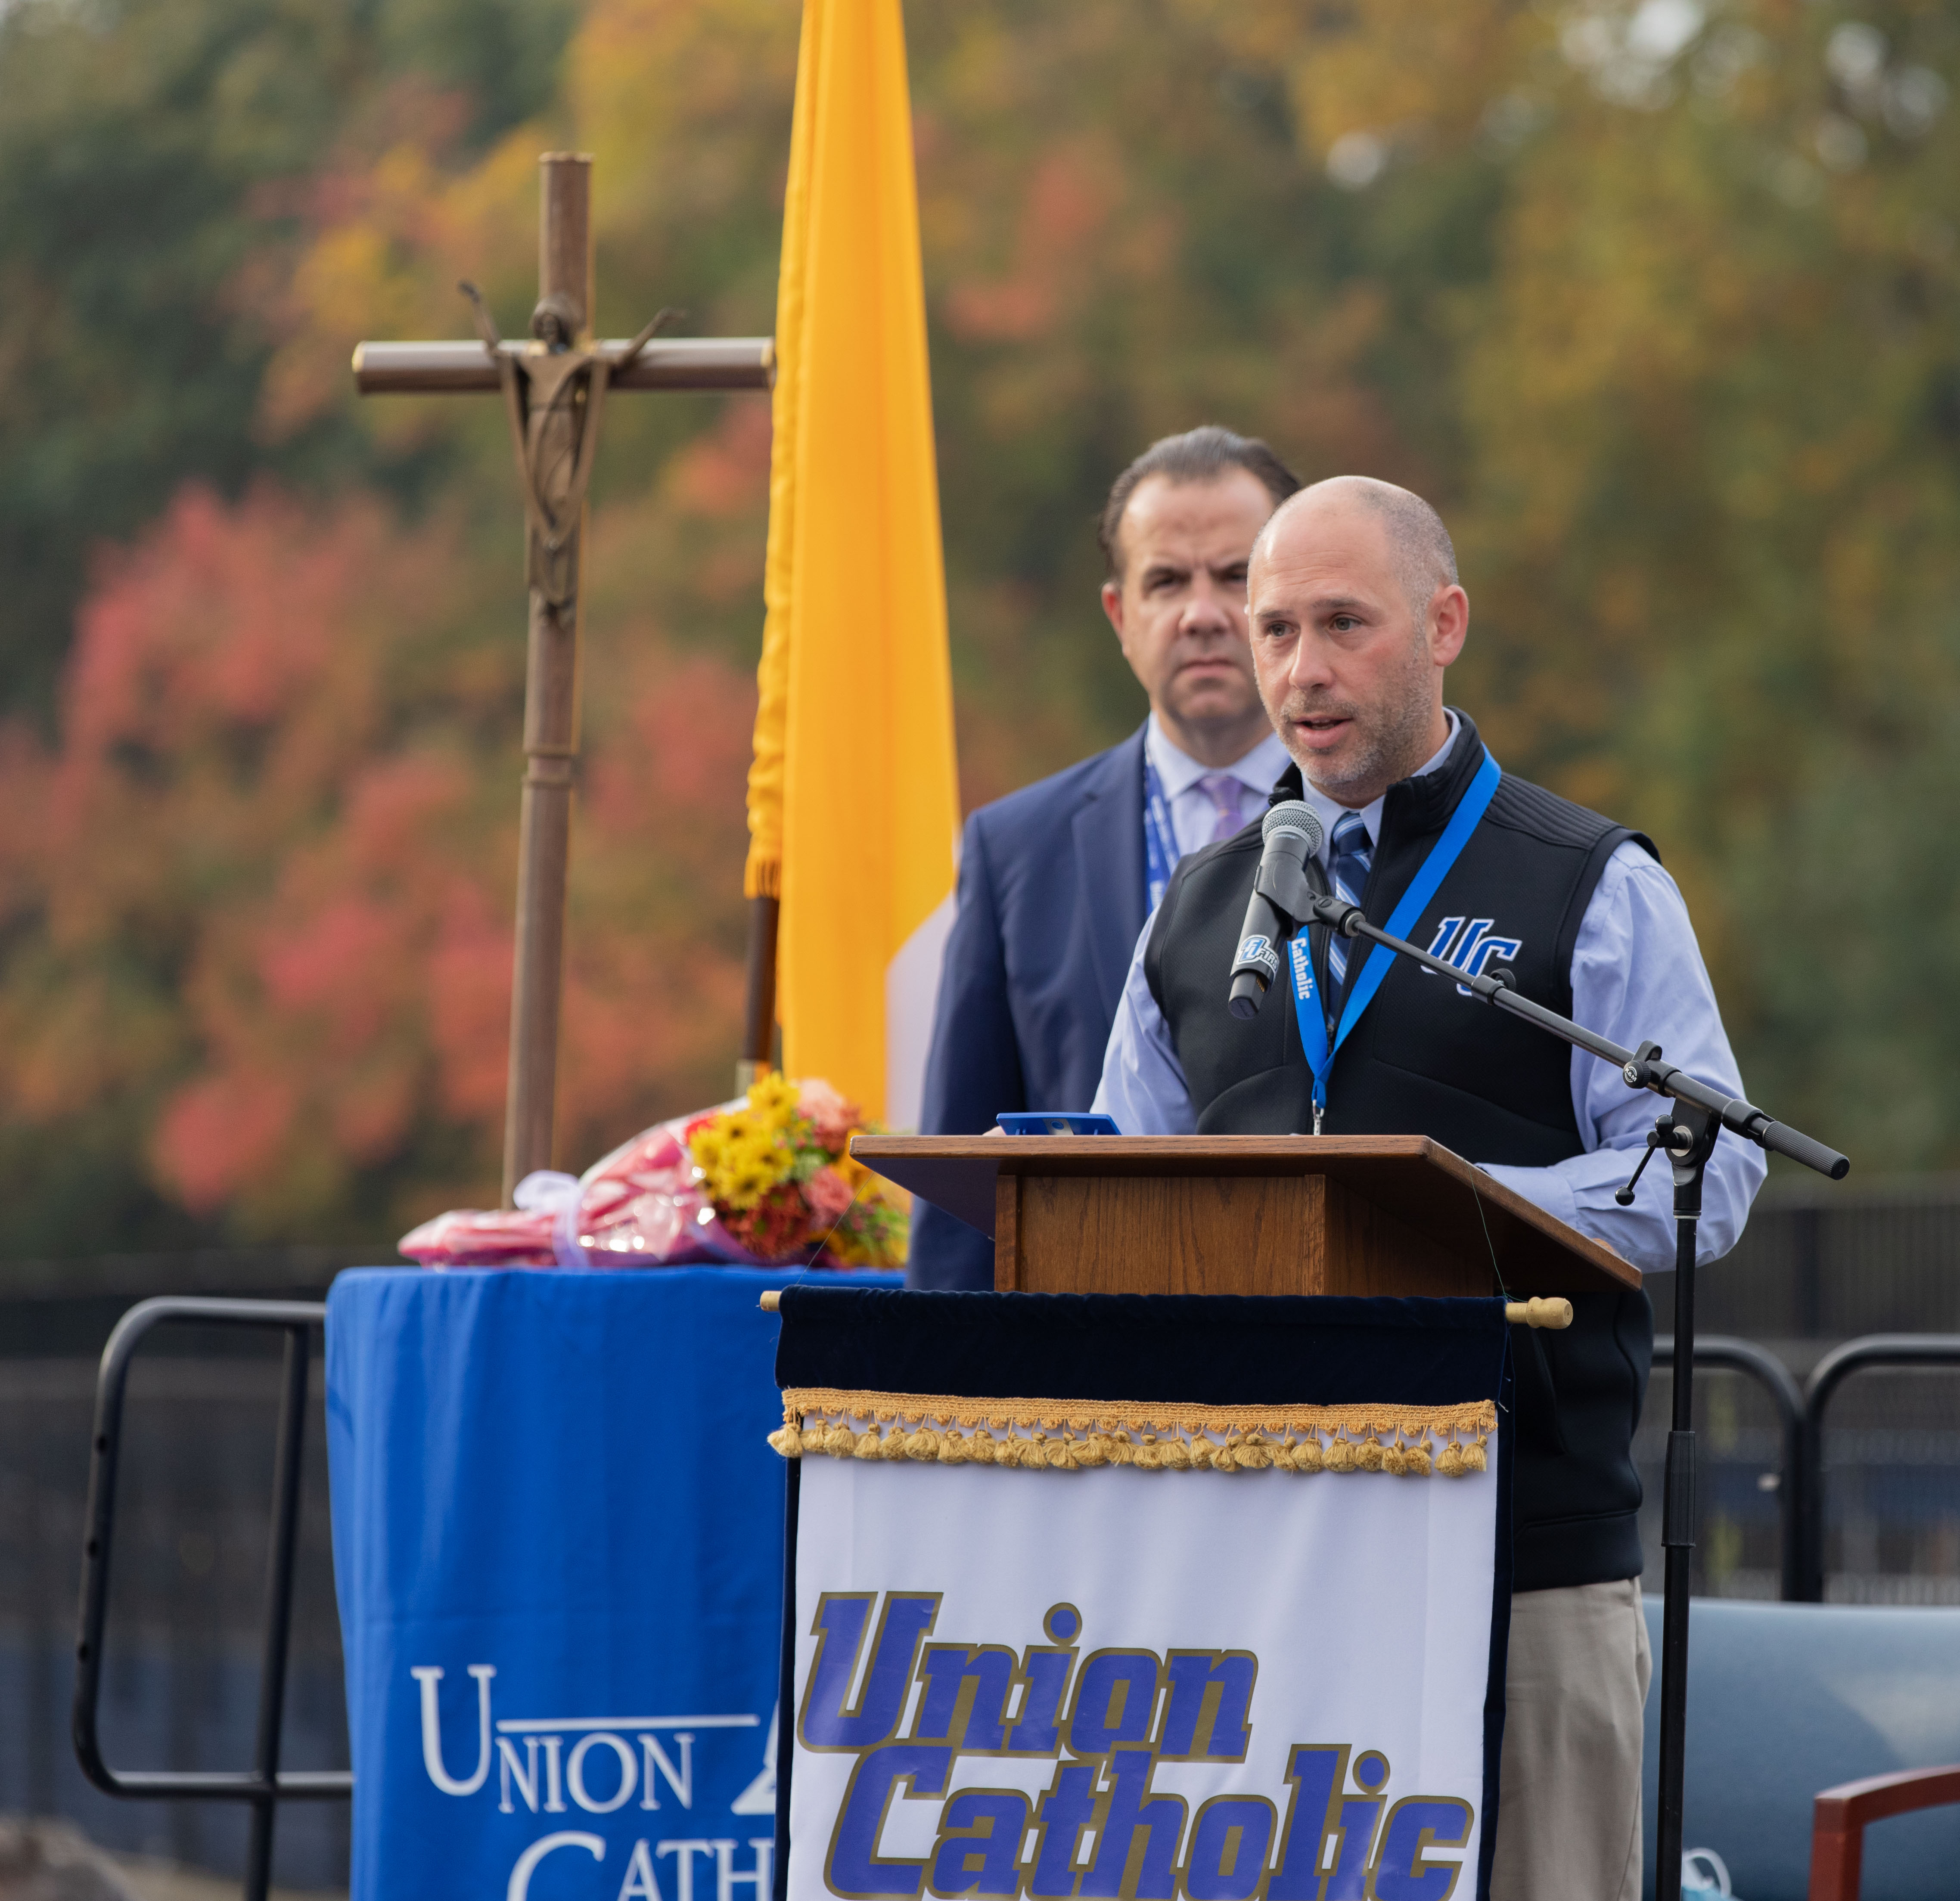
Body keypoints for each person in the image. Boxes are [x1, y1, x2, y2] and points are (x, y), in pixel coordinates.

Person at [1093, 474, 1766, 1901]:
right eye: (1276, 629)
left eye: (1344, 622)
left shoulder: (1585, 877)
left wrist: (1446, 1207)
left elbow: (1707, 1167)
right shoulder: (1198, 908)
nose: (1298, 668)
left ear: (1445, 622)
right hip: (1253, 1553)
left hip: (1521, 1544)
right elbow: (1111, 1189)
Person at [908, 427, 1301, 1291]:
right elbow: (962, 1161)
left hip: (1329, 1349)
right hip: (1088, 1360)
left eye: (1234, 576)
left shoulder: (1379, 824)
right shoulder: (1016, 847)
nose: (1201, 613)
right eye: (1165, 580)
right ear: (1120, 616)